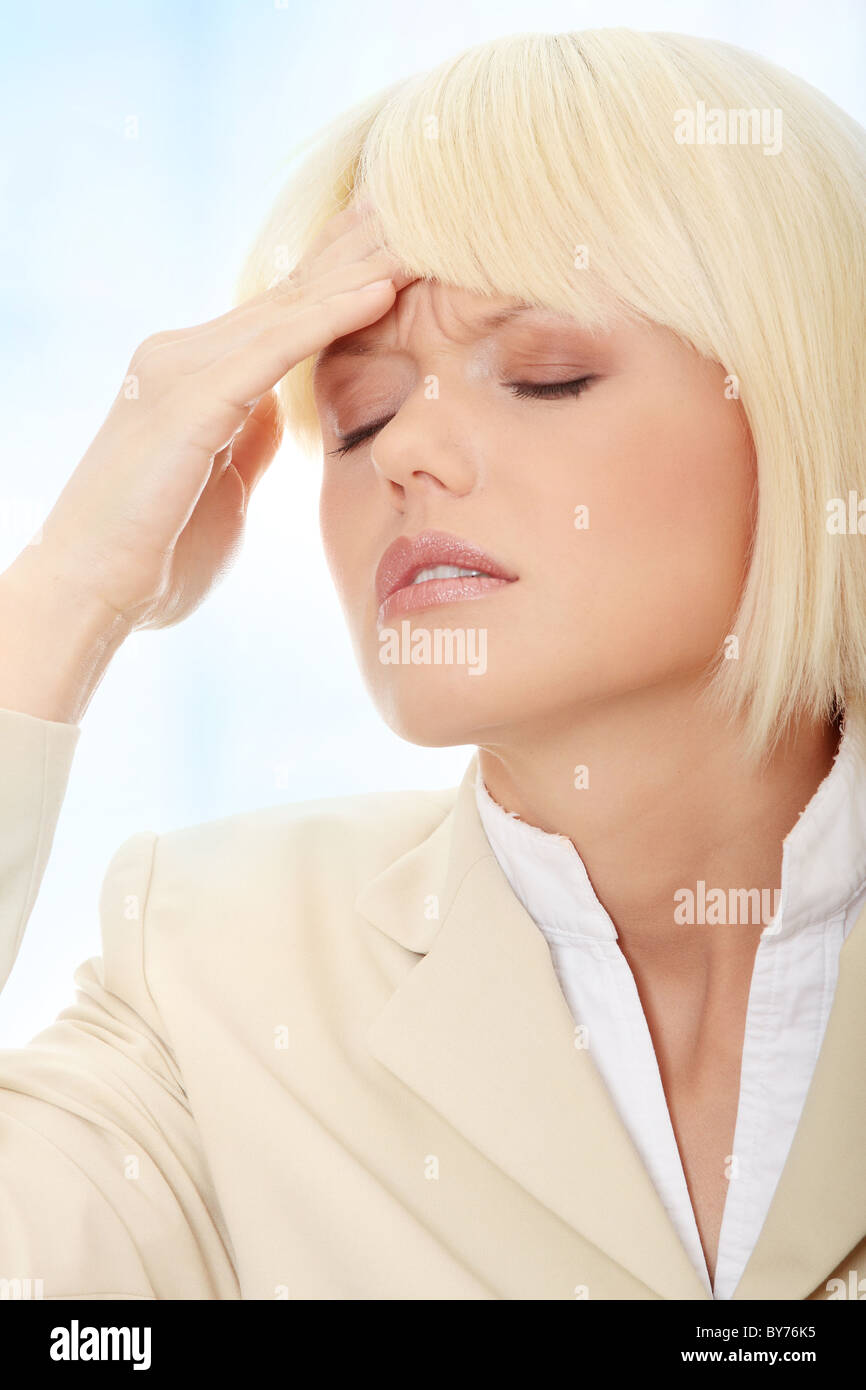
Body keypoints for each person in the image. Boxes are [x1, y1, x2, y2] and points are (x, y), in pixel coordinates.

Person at [1, 27, 865, 1301]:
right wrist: (67, 591)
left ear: (807, 415)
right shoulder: (211, 972)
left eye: (544, 375)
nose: (406, 452)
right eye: (357, 415)